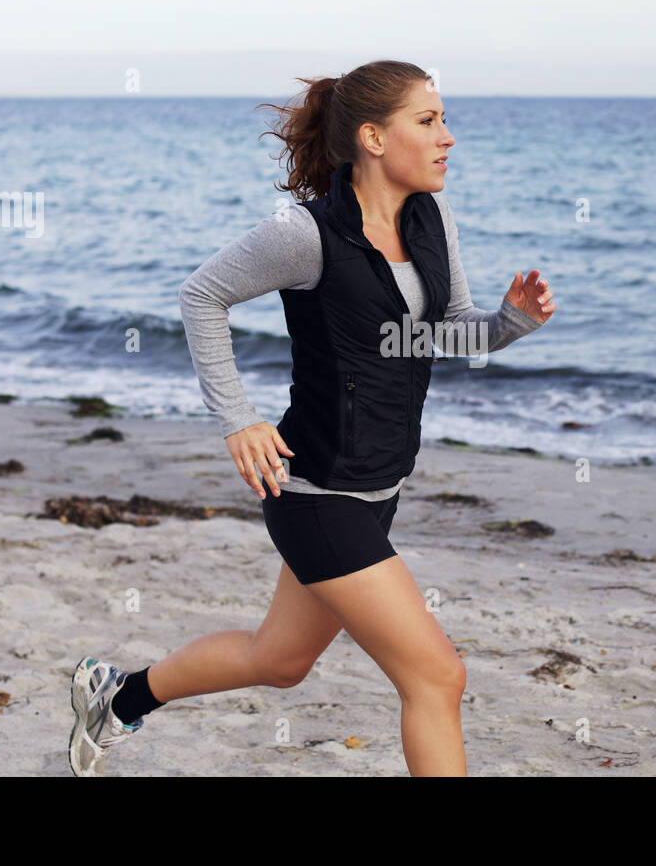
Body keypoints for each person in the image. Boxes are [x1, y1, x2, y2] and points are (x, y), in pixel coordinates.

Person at [69, 59, 556, 777]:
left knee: (280, 660)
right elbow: (201, 296)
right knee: (438, 677)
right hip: (316, 491)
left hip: (379, 485)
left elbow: (444, 331)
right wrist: (238, 418)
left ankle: (119, 696)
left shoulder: (430, 216)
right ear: (373, 138)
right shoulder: (305, 236)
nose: (448, 136)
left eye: (444, 119)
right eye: (428, 121)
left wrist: (508, 325)